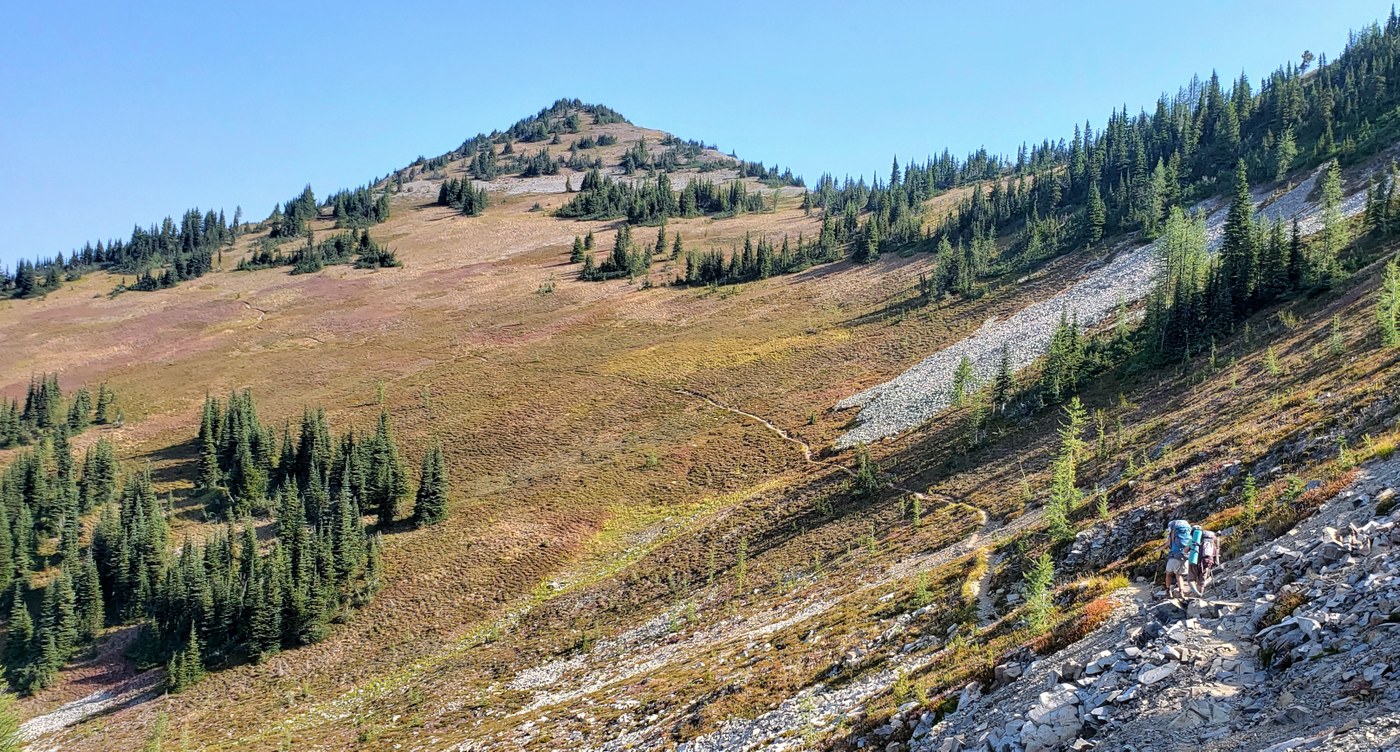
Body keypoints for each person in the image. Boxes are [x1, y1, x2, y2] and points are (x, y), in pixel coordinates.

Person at [1164, 519, 1193, 599]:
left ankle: (1168, 591)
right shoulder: (1188, 531)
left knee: (1168, 573)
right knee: (1179, 575)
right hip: (1185, 555)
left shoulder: (1173, 531)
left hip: (1174, 554)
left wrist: (1160, 548)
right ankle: (1181, 592)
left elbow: (1169, 542)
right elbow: (1191, 542)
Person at [1191, 527, 1219, 596]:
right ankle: (1201, 594)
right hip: (1208, 560)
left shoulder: (1197, 540)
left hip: (1198, 561)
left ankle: (1197, 594)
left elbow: (1188, 550)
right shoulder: (1211, 541)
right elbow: (1216, 550)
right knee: (1202, 579)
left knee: (1194, 578)